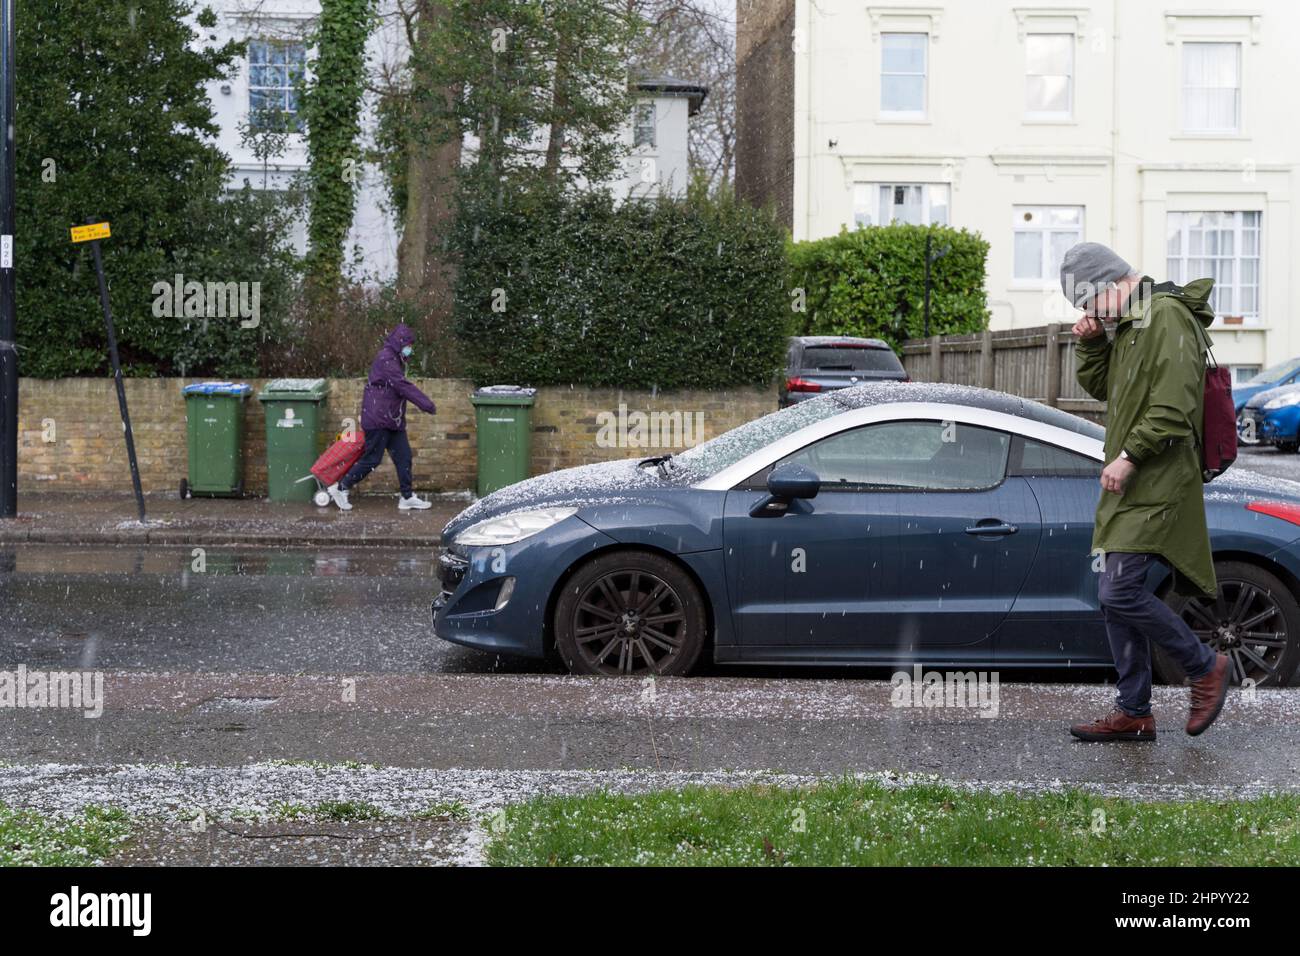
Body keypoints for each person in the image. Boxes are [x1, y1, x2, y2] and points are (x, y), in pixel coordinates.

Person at [1062, 242, 1230, 742]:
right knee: (1113, 597)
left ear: (1110, 284)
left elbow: (1174, 410)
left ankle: (1205, 667)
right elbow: (1109, 391)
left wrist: (1129, 456)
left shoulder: (1166, 318)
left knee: (1119, 589)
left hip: (1157, 479)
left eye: (1088, 303)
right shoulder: (1132, 326)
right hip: (1134, 479)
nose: (1088, 313)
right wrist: (1092, 343)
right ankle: (1134, 711)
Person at [328, 323, 437, 512]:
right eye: (408, 344)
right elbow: (402, 385)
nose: (410, 349)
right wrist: (425, 403)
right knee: (372, 459)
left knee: (404, 457)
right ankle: (341, 488)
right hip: (378, 418)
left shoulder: (395, 358)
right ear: (400, 342)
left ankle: (407, 497)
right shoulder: (386, 358)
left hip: (392, 420)